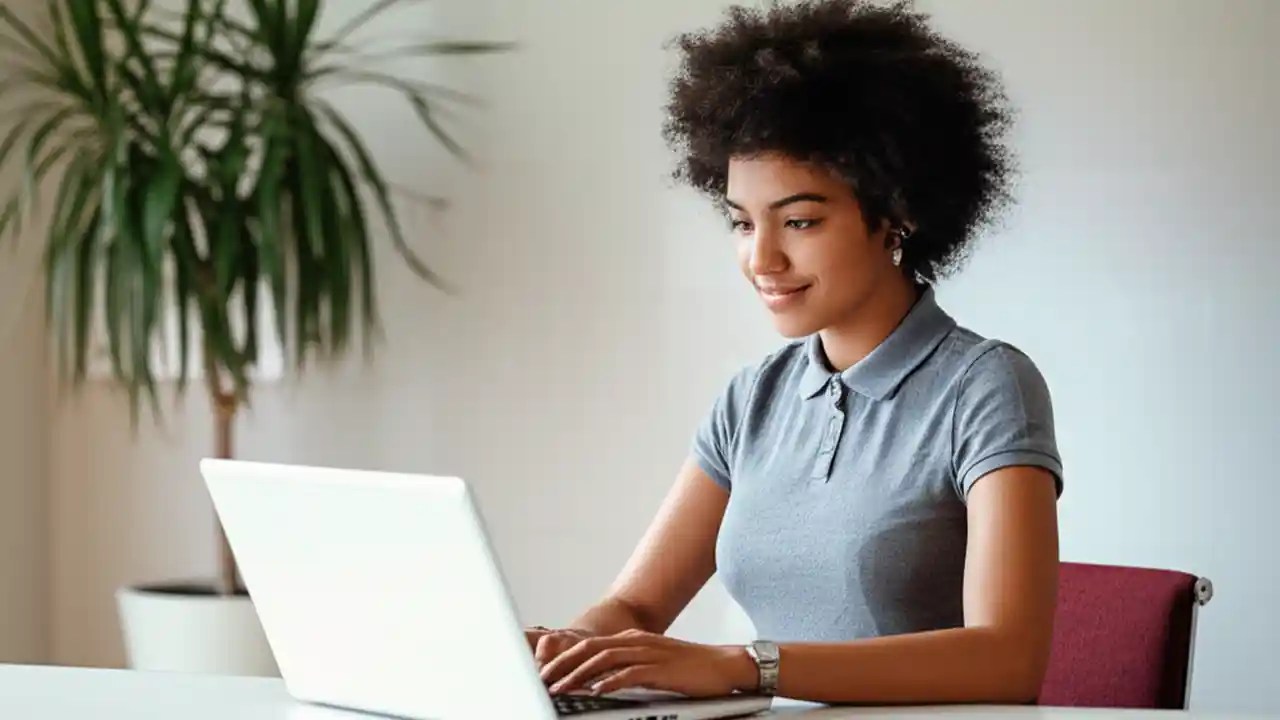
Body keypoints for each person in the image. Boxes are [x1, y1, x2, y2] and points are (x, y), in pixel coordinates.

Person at [530, 0, 1064, 705]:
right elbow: (636, 607)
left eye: (800, 221)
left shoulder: (986, 386)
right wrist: (567, 650)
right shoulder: (753, 398)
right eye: (742, 223)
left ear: (898, 214)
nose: (762, 259)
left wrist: (748, 666)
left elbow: (1007, 659)